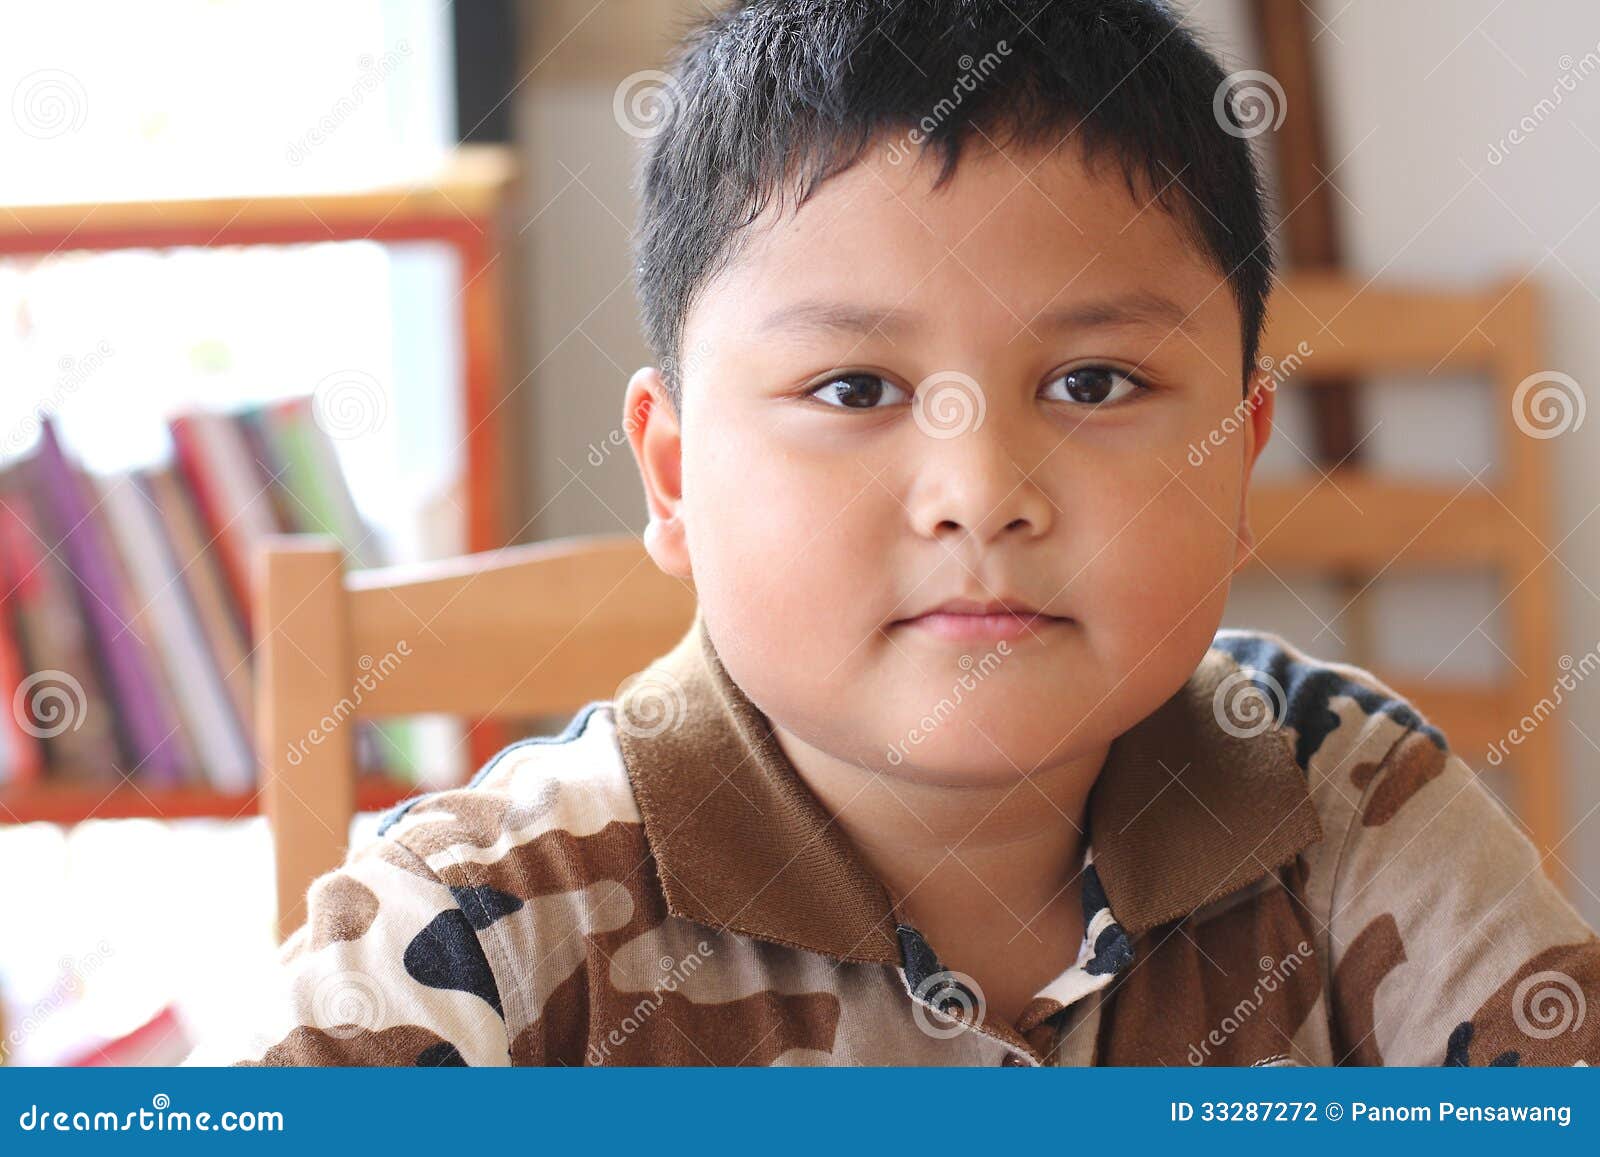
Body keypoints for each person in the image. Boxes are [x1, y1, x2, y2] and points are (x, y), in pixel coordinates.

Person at [191, 0, 1599, 1066]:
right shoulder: (480, 921)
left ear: (1238, 457)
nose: (979, 490)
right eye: (853, 388)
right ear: (674, 474)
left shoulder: (1349, 800)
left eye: (1093, 383)